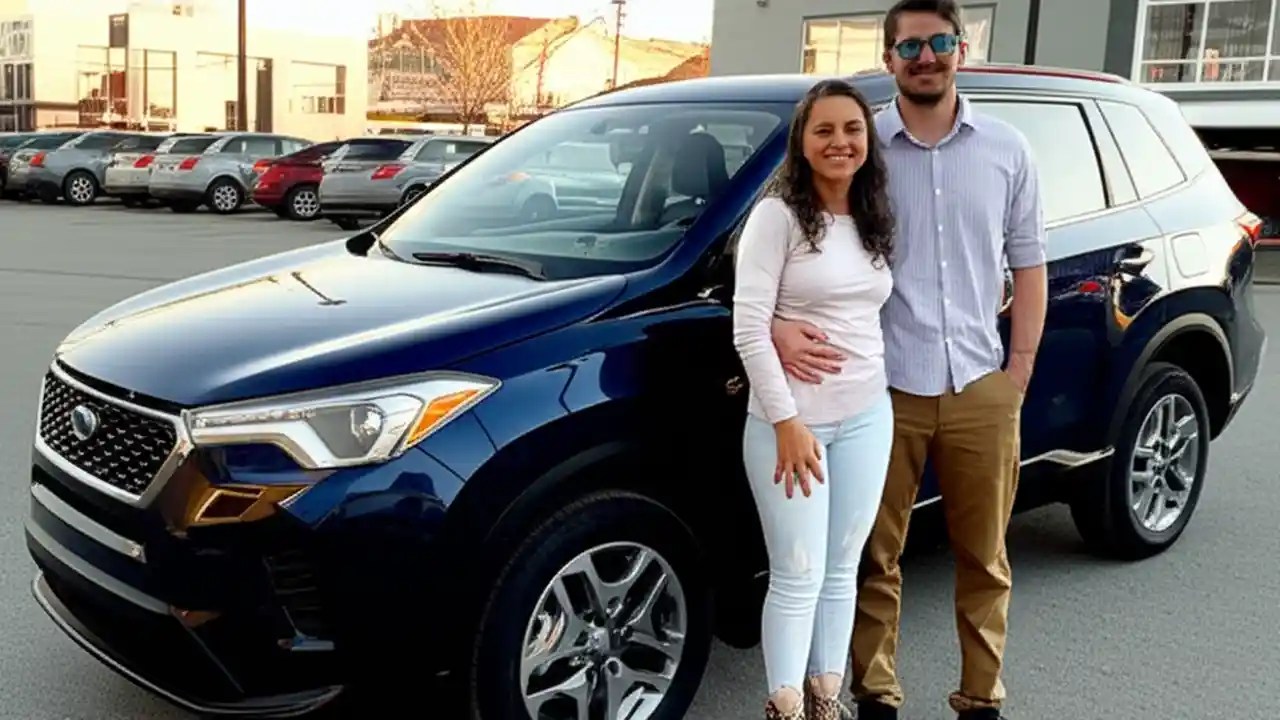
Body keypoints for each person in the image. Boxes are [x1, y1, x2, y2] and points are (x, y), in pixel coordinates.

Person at [769, 2, 1048, 719]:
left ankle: (980, 697)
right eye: (911, 45)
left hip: (981, 384)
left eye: (940, 42)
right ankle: (877, 695)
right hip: (878, 389)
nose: (927, 56)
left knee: (984, 557)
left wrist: (1016, 374)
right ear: (889, 57)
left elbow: (1029, 263)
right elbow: (793, 248)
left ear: (962, 47)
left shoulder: (1008, 149)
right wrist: (772, 327)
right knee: (870, 558)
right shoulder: (859, 148)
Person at [732, 78, 898, 720]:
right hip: (789, 426)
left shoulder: (874, 215)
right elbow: (748, 326)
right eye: (824, 130)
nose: (840, 142)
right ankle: (784, 706)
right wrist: (788, 422)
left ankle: (828, 699)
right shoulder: (777, 217)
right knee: (797, 571)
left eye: (852, 129)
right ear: (802, 142)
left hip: (866, 416)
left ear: (867, 140)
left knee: (842, 566)